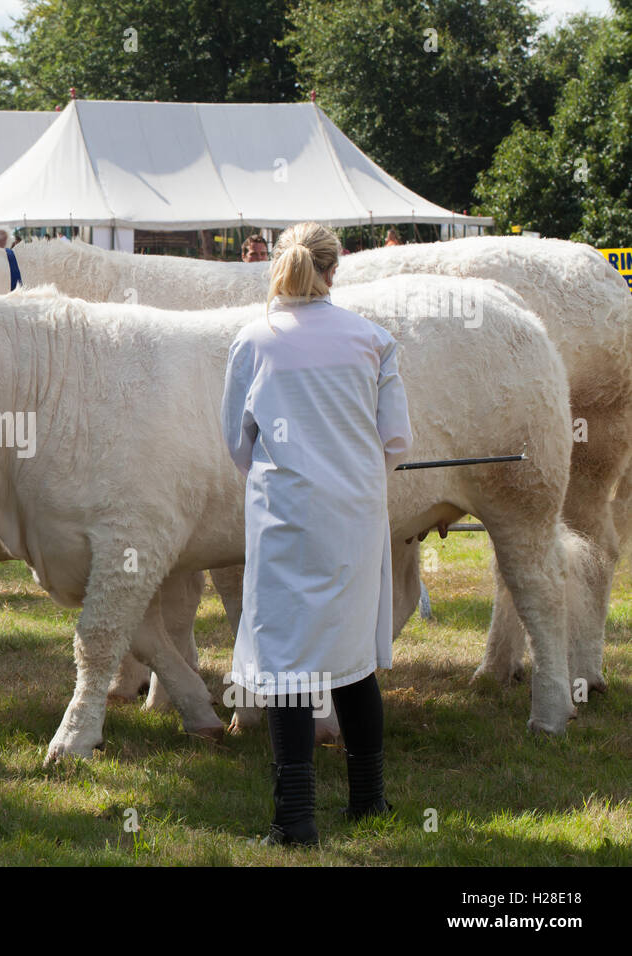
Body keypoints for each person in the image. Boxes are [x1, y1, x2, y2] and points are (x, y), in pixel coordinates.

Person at [221, 221, 412, 847]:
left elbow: (236, 443)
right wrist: (351, 475)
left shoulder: (254, 340)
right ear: (338, 267)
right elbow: (395, 441)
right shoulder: (374, 341)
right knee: (354, 663)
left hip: (286, 519)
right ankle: (368, 802)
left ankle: (296, 821)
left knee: (289, 668)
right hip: (354, 519)